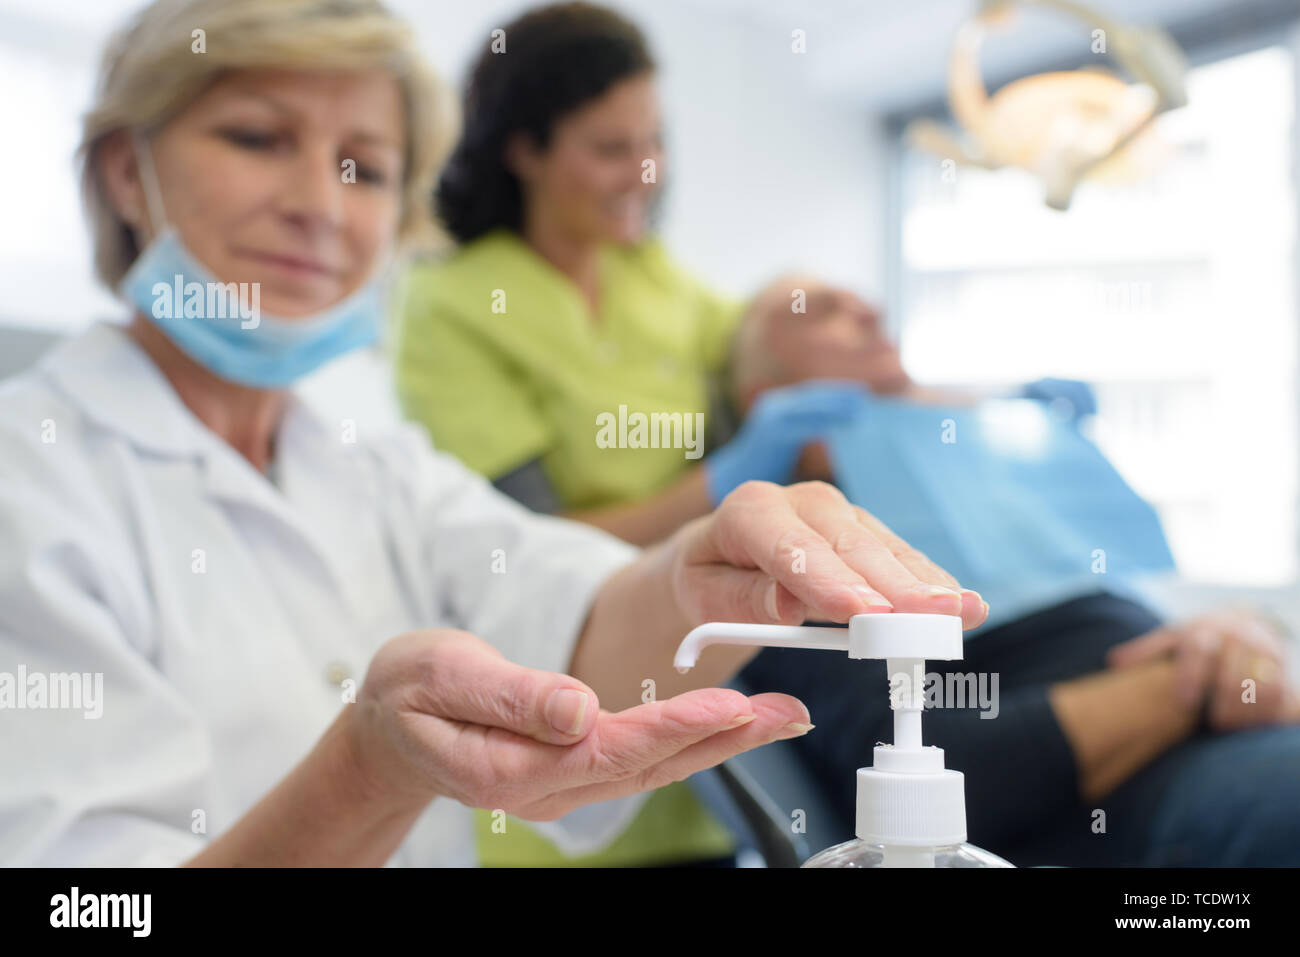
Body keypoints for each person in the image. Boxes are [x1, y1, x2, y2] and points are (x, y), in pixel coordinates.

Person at [0, 0, 986, 868]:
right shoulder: (28, 480)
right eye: (257, 137)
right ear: (128, 172)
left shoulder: (371, 471)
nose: (316, 205)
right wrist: (366, 774)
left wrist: (700, 574)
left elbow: (572, 633)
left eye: (365, 167)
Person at [395, 2, 1300, 865]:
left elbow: (806, 355)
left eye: (654, 143)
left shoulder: (659, 279)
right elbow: (513, 554)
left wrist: (987, 406)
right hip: (588, 703)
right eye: (609, 148)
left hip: (715, 729)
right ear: (524, 149)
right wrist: (723, 485)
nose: (644, 173)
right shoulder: (460, 305)